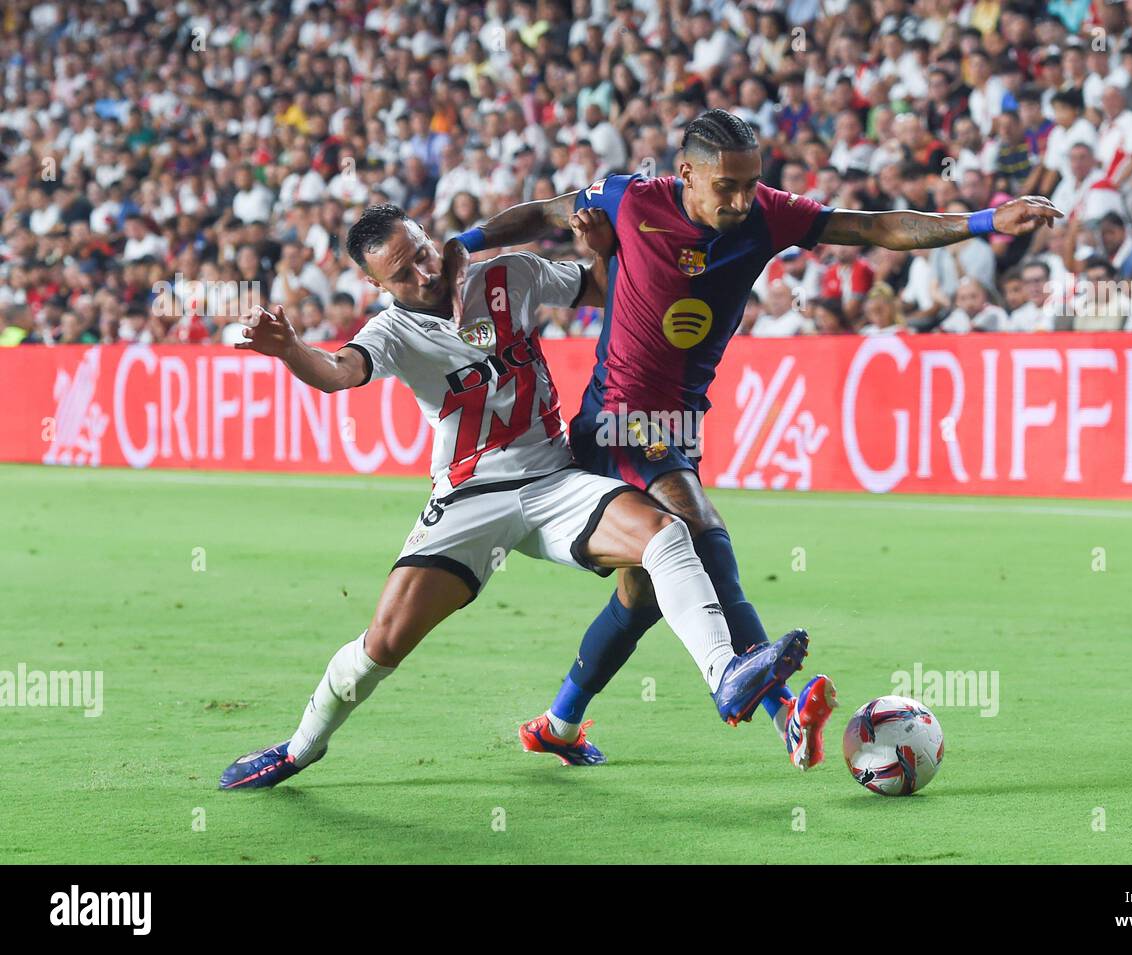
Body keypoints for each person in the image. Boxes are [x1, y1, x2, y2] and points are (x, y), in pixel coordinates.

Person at [441, 109, 1061, 769]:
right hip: (616, 418)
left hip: (679, 424)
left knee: (643, 593)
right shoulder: (631, 200)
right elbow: (542, 213)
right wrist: (466, 240)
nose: (740, 201)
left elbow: (875, 226)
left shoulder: (769, 213)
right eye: (726, 187)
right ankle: (783, 711)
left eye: (750, 183)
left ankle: (557, 724)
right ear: (685, 174)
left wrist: (987, 221)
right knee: (700, 529)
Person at [217, 203, 813, 788]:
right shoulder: (390, 333)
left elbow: (609, 290)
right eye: (401, 272)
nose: (422, 274)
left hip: (555, 480)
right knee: (382, 647)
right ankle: (299, 750)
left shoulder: (507, 275)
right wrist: (290, 350)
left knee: (666, 534)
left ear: (431, 238)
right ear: (373, 284)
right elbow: (337, 372)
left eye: (421, 253)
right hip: (471, 497)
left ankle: (726, 674)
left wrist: (603, 247)